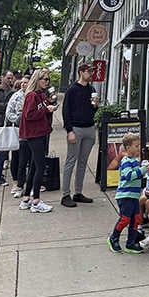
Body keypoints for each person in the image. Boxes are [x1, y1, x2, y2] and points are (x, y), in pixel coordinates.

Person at [18, 69, 57, 213]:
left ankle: (27, 198)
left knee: (34, 166)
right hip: (34, 134)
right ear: (37, 80)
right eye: (44, 79)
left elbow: (42, 108)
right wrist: (47, 109)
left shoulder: (40, 95)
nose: (46, 82)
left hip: (39, 132)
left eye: (48, 79)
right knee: (40, 167)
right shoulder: (32, 96)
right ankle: (36, 201)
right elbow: (29, 115)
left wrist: (50, 104)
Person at [60, 62, 98, 208]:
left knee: (83, 162)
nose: (91, 74)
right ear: (81, 72)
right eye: (88, 71)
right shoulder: (72, 90)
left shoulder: (92, 89)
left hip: (89, 128)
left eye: (92, 71)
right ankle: (65, 194)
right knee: (71, 160)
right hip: (76, 128)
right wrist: (69, 130)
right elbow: (66, 111)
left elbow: (93, 109)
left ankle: (78, 192)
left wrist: (95, 105)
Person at [107, 132, 144, 254]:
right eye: (136, 146)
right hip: (125, 196)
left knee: (136, 218)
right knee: (125, 219)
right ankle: (113, 238)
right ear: (128, 148)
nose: (139, 148)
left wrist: (145, 169)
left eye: (139, 146)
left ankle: (131, 243)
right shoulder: (126, 161)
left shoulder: (135, 161)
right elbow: (129, 176)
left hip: (134, 196)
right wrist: (142, 170)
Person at [5, 75, 30, 197]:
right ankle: (16, 182)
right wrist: (19, 119)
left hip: (31, 131)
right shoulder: (16, 96)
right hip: (18, 130)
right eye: (22, 83)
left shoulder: (34, 95)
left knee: (30, 158)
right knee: (17, 157)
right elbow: (9, 113)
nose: (24, 85)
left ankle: (29, 182)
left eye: (26, 83)